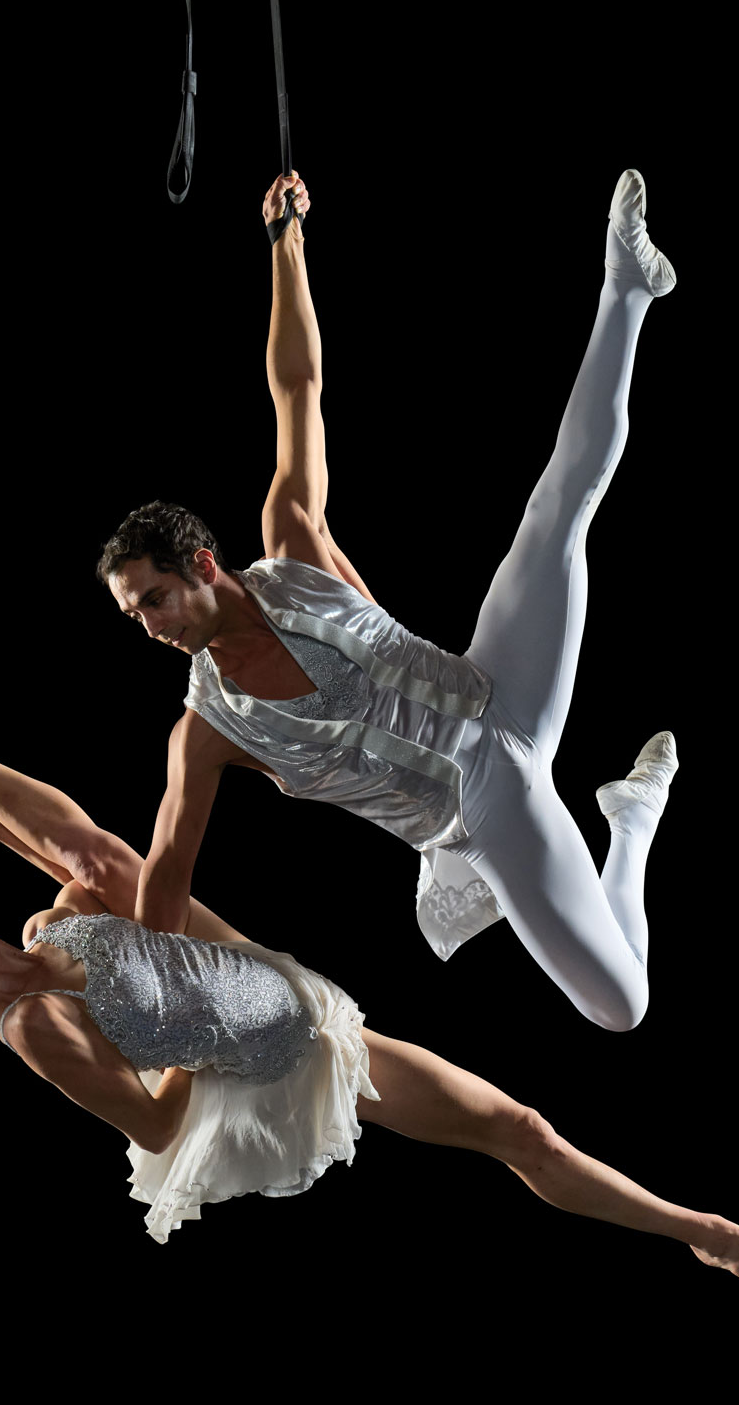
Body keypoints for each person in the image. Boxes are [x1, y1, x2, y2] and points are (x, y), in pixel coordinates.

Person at [0, 666, 739, 1290]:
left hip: (282, 990)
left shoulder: (46, 924)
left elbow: (63, 842)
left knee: (94, 860)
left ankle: (629, 825)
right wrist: (197, 1035)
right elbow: (153, 1128)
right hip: (288, 1061)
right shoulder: (30, 1027)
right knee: (522, 1131)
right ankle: (703, 1232)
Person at [100, 166, 681, 1033]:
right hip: (484, 811)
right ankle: (631, 823)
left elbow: (297, 389)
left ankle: (627, 285)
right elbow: (167, 870)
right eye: (134, 616)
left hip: (494, 685)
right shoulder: (208, 730)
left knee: (559, 508)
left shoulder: (293, 545)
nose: (148, 627)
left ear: (203, 566)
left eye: (153, 599)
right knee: (622, 1007)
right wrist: (141, 997)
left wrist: (286, 245)